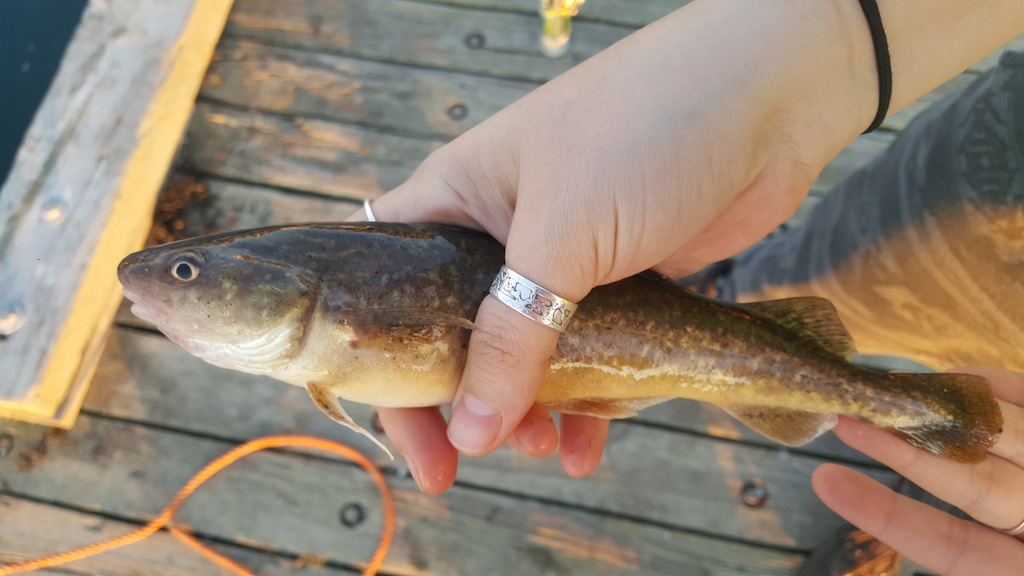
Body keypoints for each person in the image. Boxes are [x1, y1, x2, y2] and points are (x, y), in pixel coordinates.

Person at [347, 0, 1024, 573]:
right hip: (971, 178)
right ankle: (740, 305)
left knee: (958, 469)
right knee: (807, 270)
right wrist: (826, 47)